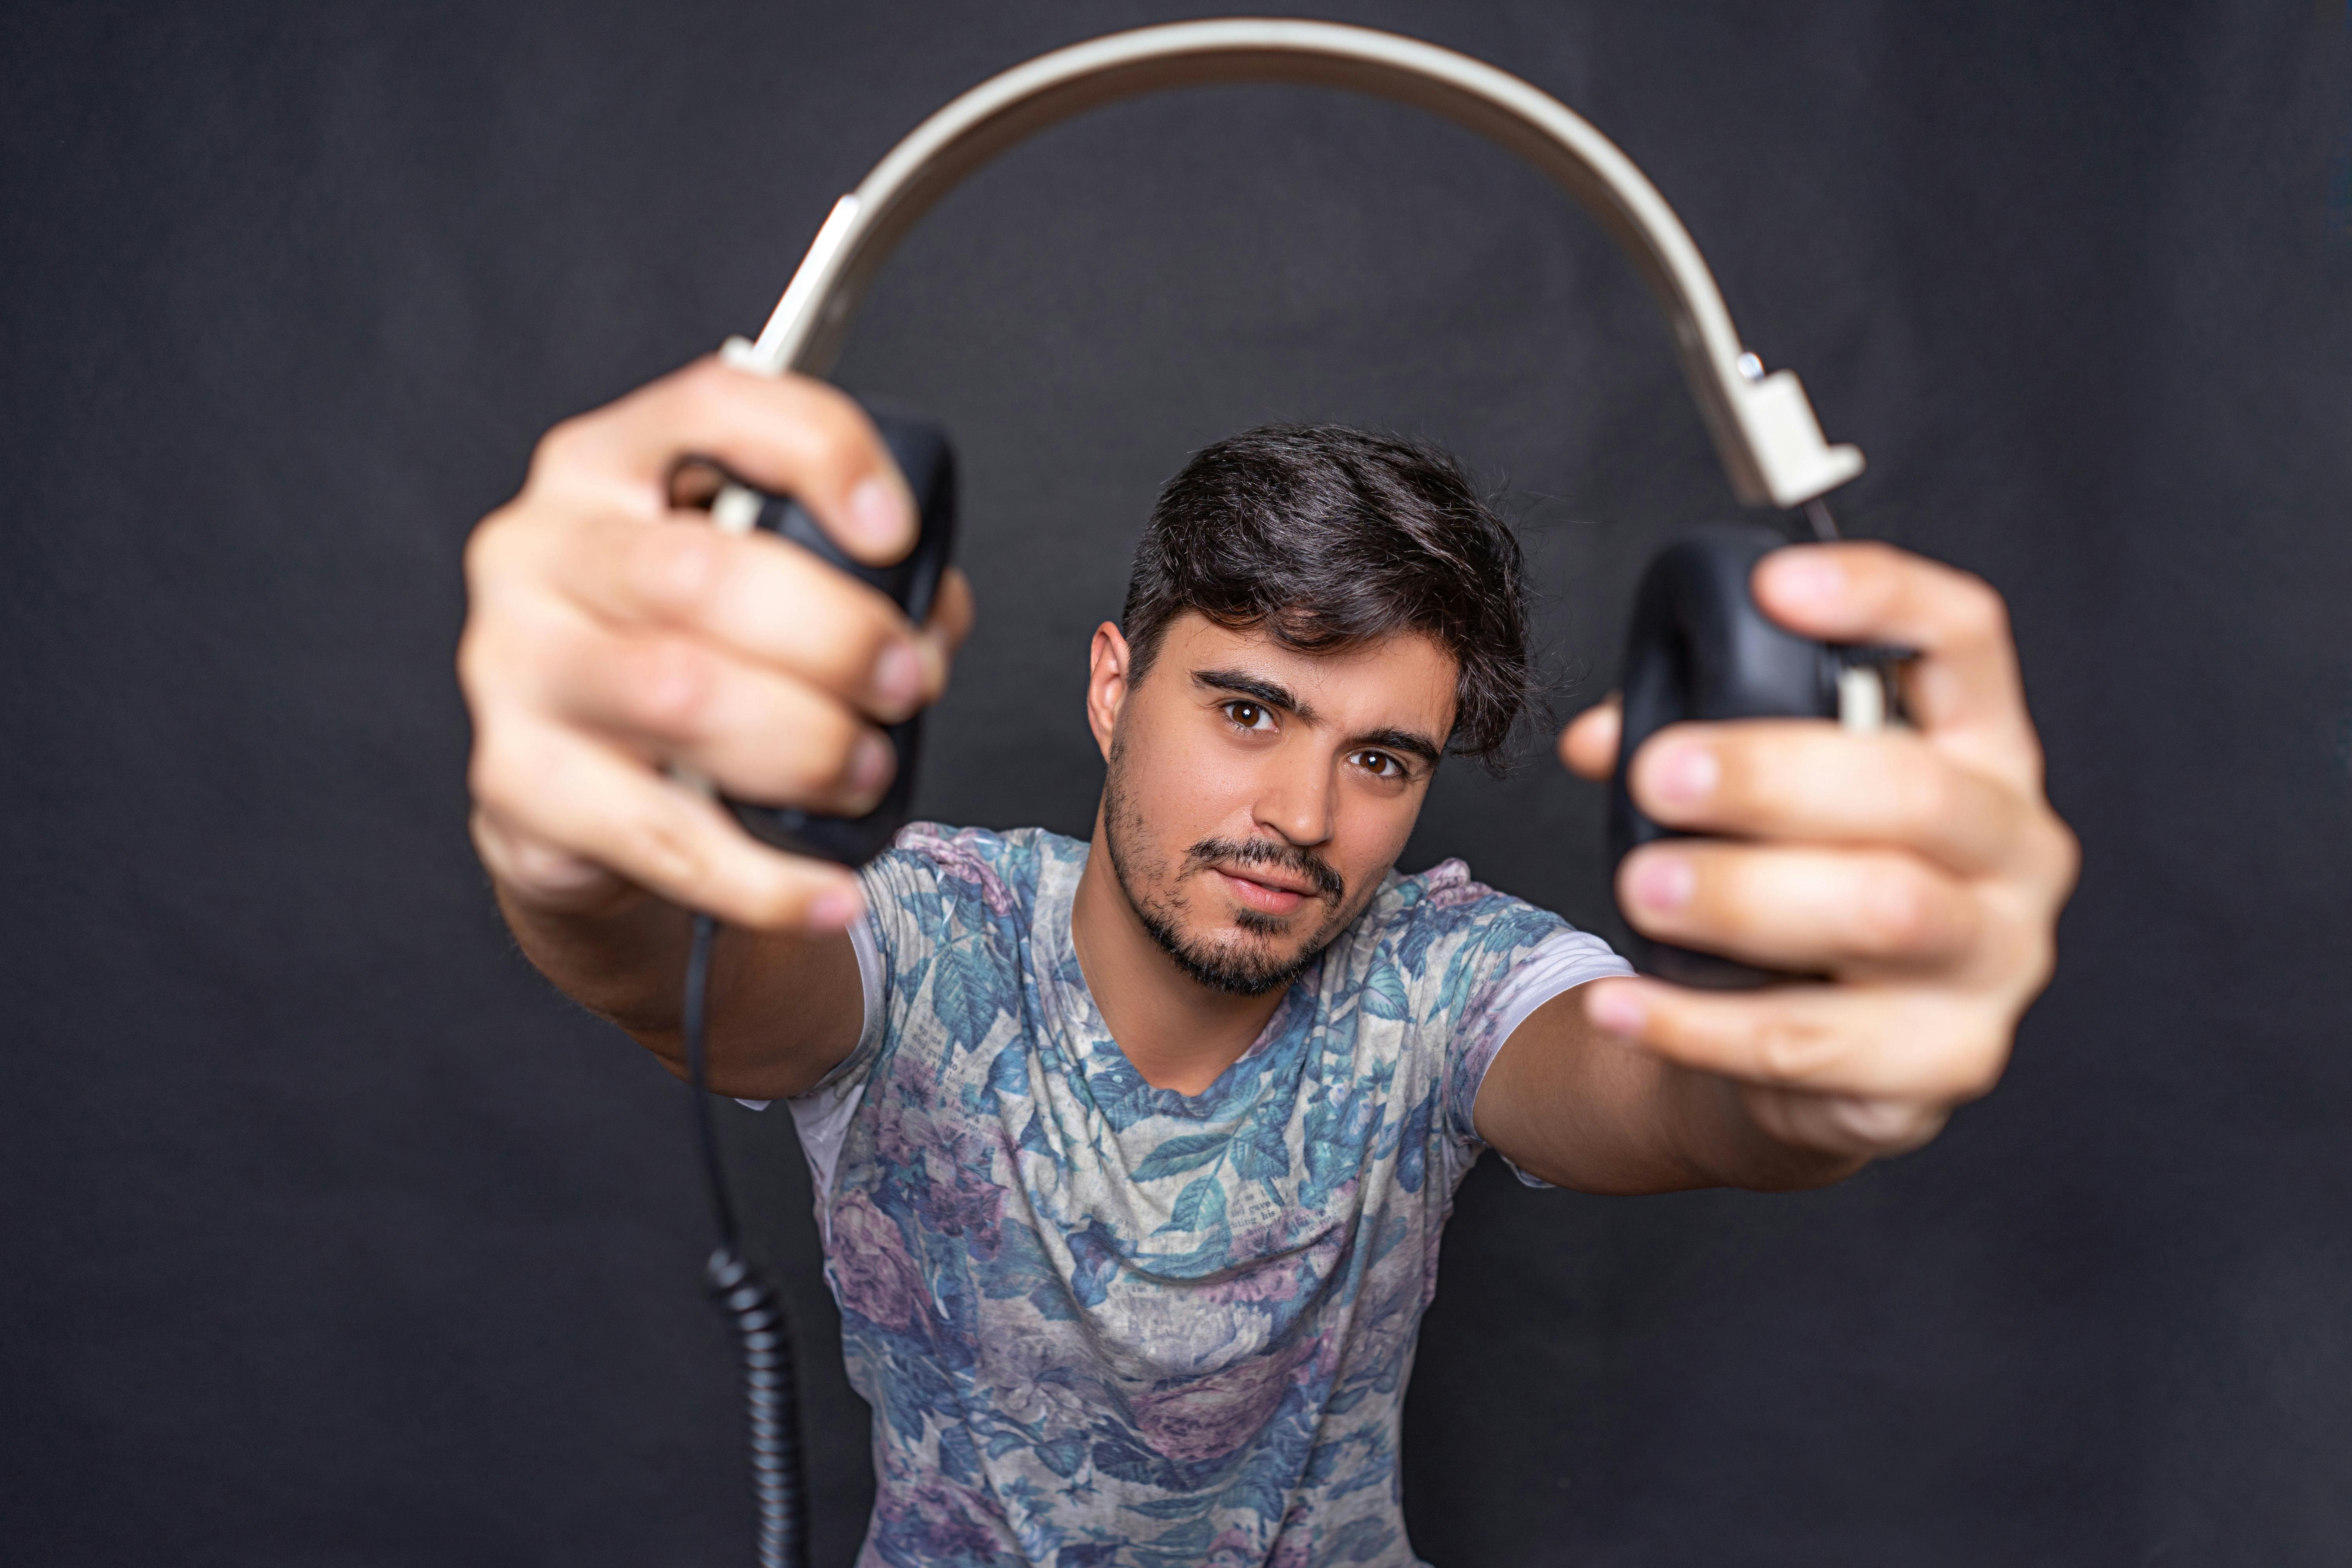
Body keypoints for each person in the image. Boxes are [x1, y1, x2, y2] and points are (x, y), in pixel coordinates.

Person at [458, 359, 2076, 1567]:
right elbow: (685, 961)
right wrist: (579, 863)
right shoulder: (931, 930)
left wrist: (1821, 1062)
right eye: (1247, 710)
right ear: (1114, 687)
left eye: (1382, 758)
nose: (1301, 814)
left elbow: (1673, 1086)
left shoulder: (1437, 971)